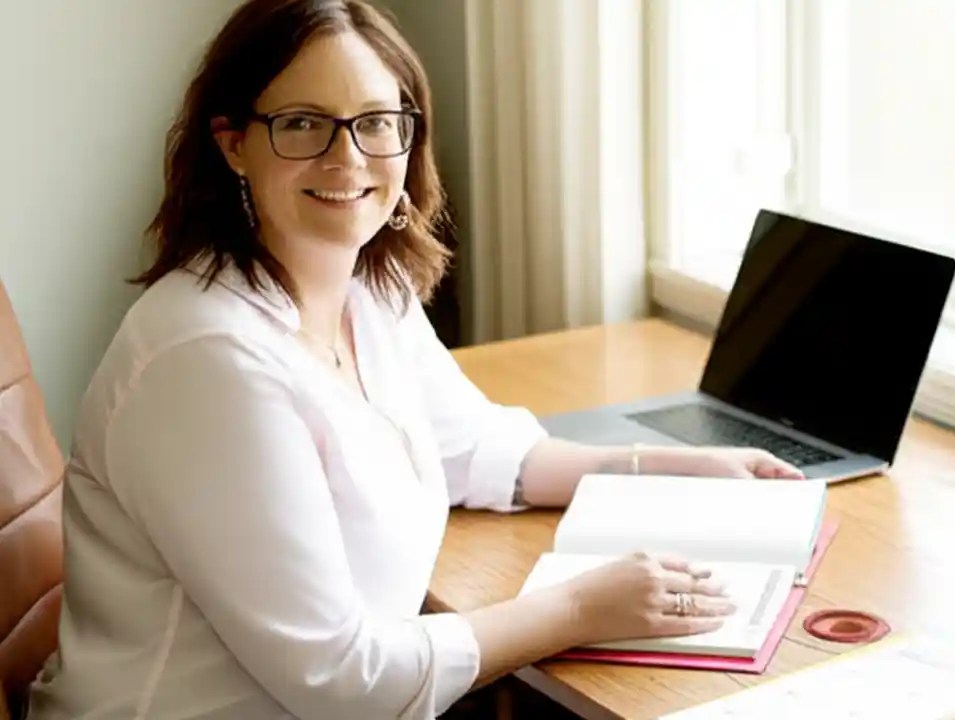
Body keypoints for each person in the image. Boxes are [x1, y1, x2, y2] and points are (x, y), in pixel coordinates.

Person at [25, 1, 803, 718]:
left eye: (375, 122)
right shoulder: (207, 363)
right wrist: (582, 607)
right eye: (302, 124)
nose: (347, 157)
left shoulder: (369, 288)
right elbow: (345, 681)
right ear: (234, 144)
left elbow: (478, 452)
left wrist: (671, 468)